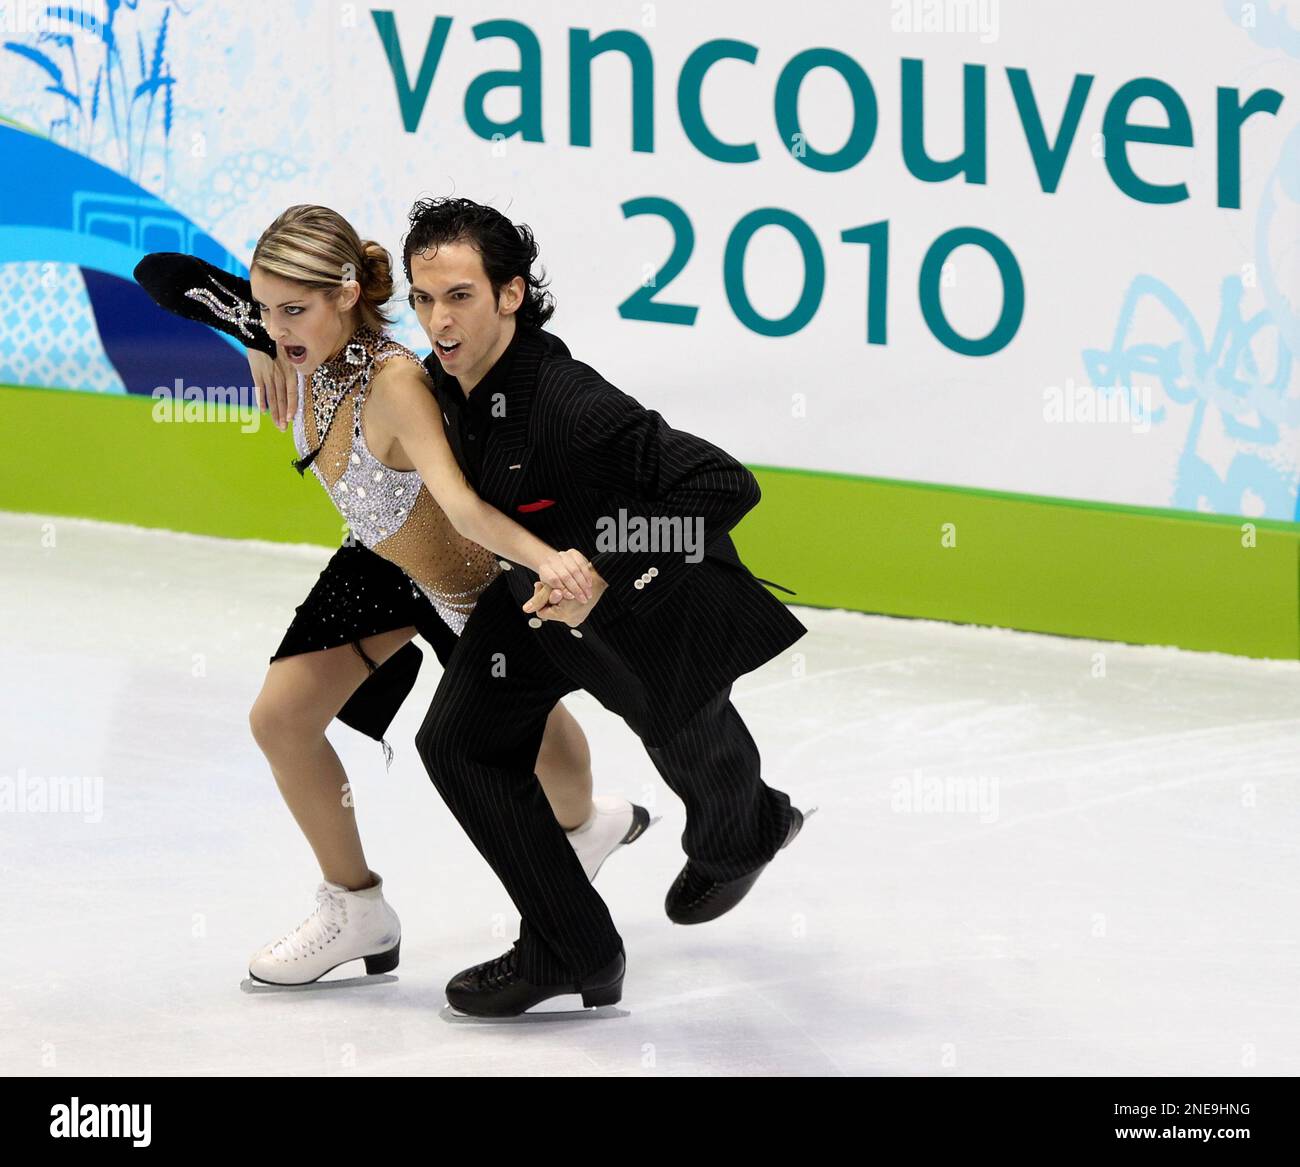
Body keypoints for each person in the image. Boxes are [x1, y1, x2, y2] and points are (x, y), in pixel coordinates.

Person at [133, 205, 653, 987]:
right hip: (379, 559)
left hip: (463, 575)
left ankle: (590, 823)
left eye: (294, 311)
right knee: (280, 718)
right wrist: (253, 333)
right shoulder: (288, 326)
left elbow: (468, 508)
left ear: (347, 293)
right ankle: (357, 907)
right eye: (266, 309)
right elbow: (162, 278)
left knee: (535, 736)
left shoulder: (398, 382)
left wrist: (553, 564)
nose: (279, 329)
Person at [402, 197, 810, 1018]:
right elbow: (309, 329)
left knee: (698, 759)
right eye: (422, 298)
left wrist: (602, 563)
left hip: (653, 615)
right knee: (460, 742)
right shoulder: (444, 381)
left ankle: (751, 830)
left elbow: (725, 483)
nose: (437, 321)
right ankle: (572, 947)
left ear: (511, 293)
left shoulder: (571, 405)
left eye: (459, 296)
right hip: (537, 612)